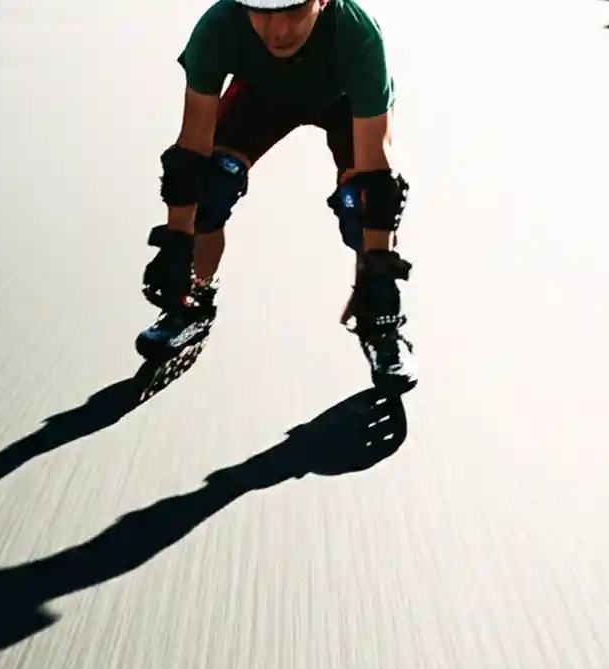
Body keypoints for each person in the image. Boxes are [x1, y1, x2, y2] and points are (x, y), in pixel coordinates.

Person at [137, 0, 418, 395]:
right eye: (261, 10)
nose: (277, 30)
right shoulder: (217, 27)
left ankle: (380, 326)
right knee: (209, 186)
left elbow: (377, 174)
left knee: (364, 203)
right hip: (262, 94)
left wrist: (380, 283)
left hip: (343, 101)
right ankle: (193, 299)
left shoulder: (359, 35)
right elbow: (190, 152)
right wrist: (177, 247)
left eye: (292, 9)